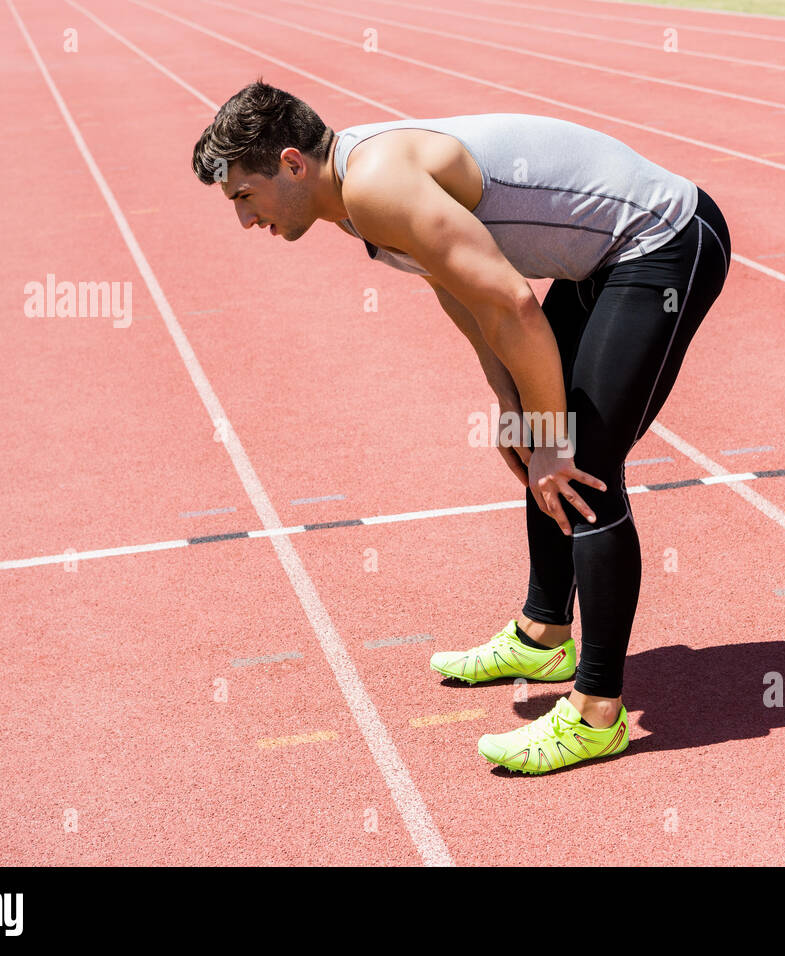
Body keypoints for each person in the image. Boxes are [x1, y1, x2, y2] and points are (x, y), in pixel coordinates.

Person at [193, 79, 731, 774]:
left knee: (582, 467)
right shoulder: (354, 196)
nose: (245, 220)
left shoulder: (375, 186)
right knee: (538, 438)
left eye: (244, 196)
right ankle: (544, 632)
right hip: (599, 258)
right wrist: (510, 403)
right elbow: (456, 286)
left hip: (662, 239)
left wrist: (549, 439)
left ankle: (599, 712)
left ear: (293, 163)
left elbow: (512, 301)